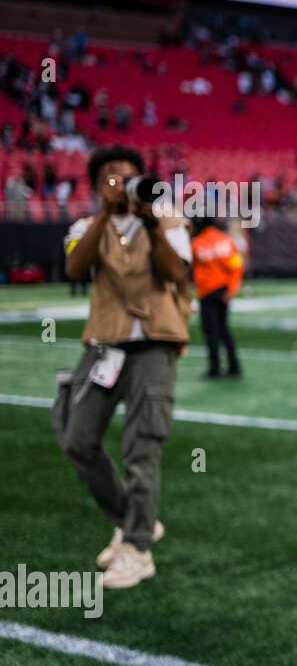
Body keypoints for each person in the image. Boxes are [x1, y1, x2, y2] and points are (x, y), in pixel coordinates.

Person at [55, 145, 192, 589]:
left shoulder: (167, 217)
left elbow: (176, 274)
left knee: (142, 446)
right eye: (110, 176)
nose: (119, 182)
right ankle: (132, 520)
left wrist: (149, 218)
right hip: (104, 342)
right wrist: (103, 215)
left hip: (155, 342)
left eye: (127, 176)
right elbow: (75, 268)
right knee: (76, 437)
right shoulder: (84, 226)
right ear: (96, 184)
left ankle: (137, 548)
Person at [191, 215, 244, 378]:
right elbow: (237, 266)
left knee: (210, 331)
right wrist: (232, 289)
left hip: (207, 292)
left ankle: (215, 368)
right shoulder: (226, 240)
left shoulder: (197, 243)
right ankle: (234, 366)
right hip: (223, 291)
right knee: (223, 330)